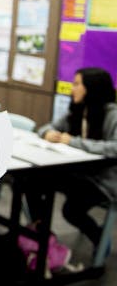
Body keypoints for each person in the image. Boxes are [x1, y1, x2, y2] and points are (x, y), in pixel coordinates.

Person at [37, 67, 117, 250]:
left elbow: (115, 147)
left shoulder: (113, 115)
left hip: (104, 181)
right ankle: (41, 235)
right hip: (79, 173)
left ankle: (100, 241)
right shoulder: (77, 110)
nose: (72, 89)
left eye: (77, 84)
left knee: (71, 210)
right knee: (34, 182)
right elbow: (46, 128)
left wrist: (73, 141)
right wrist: (48, 133)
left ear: (92, 88)